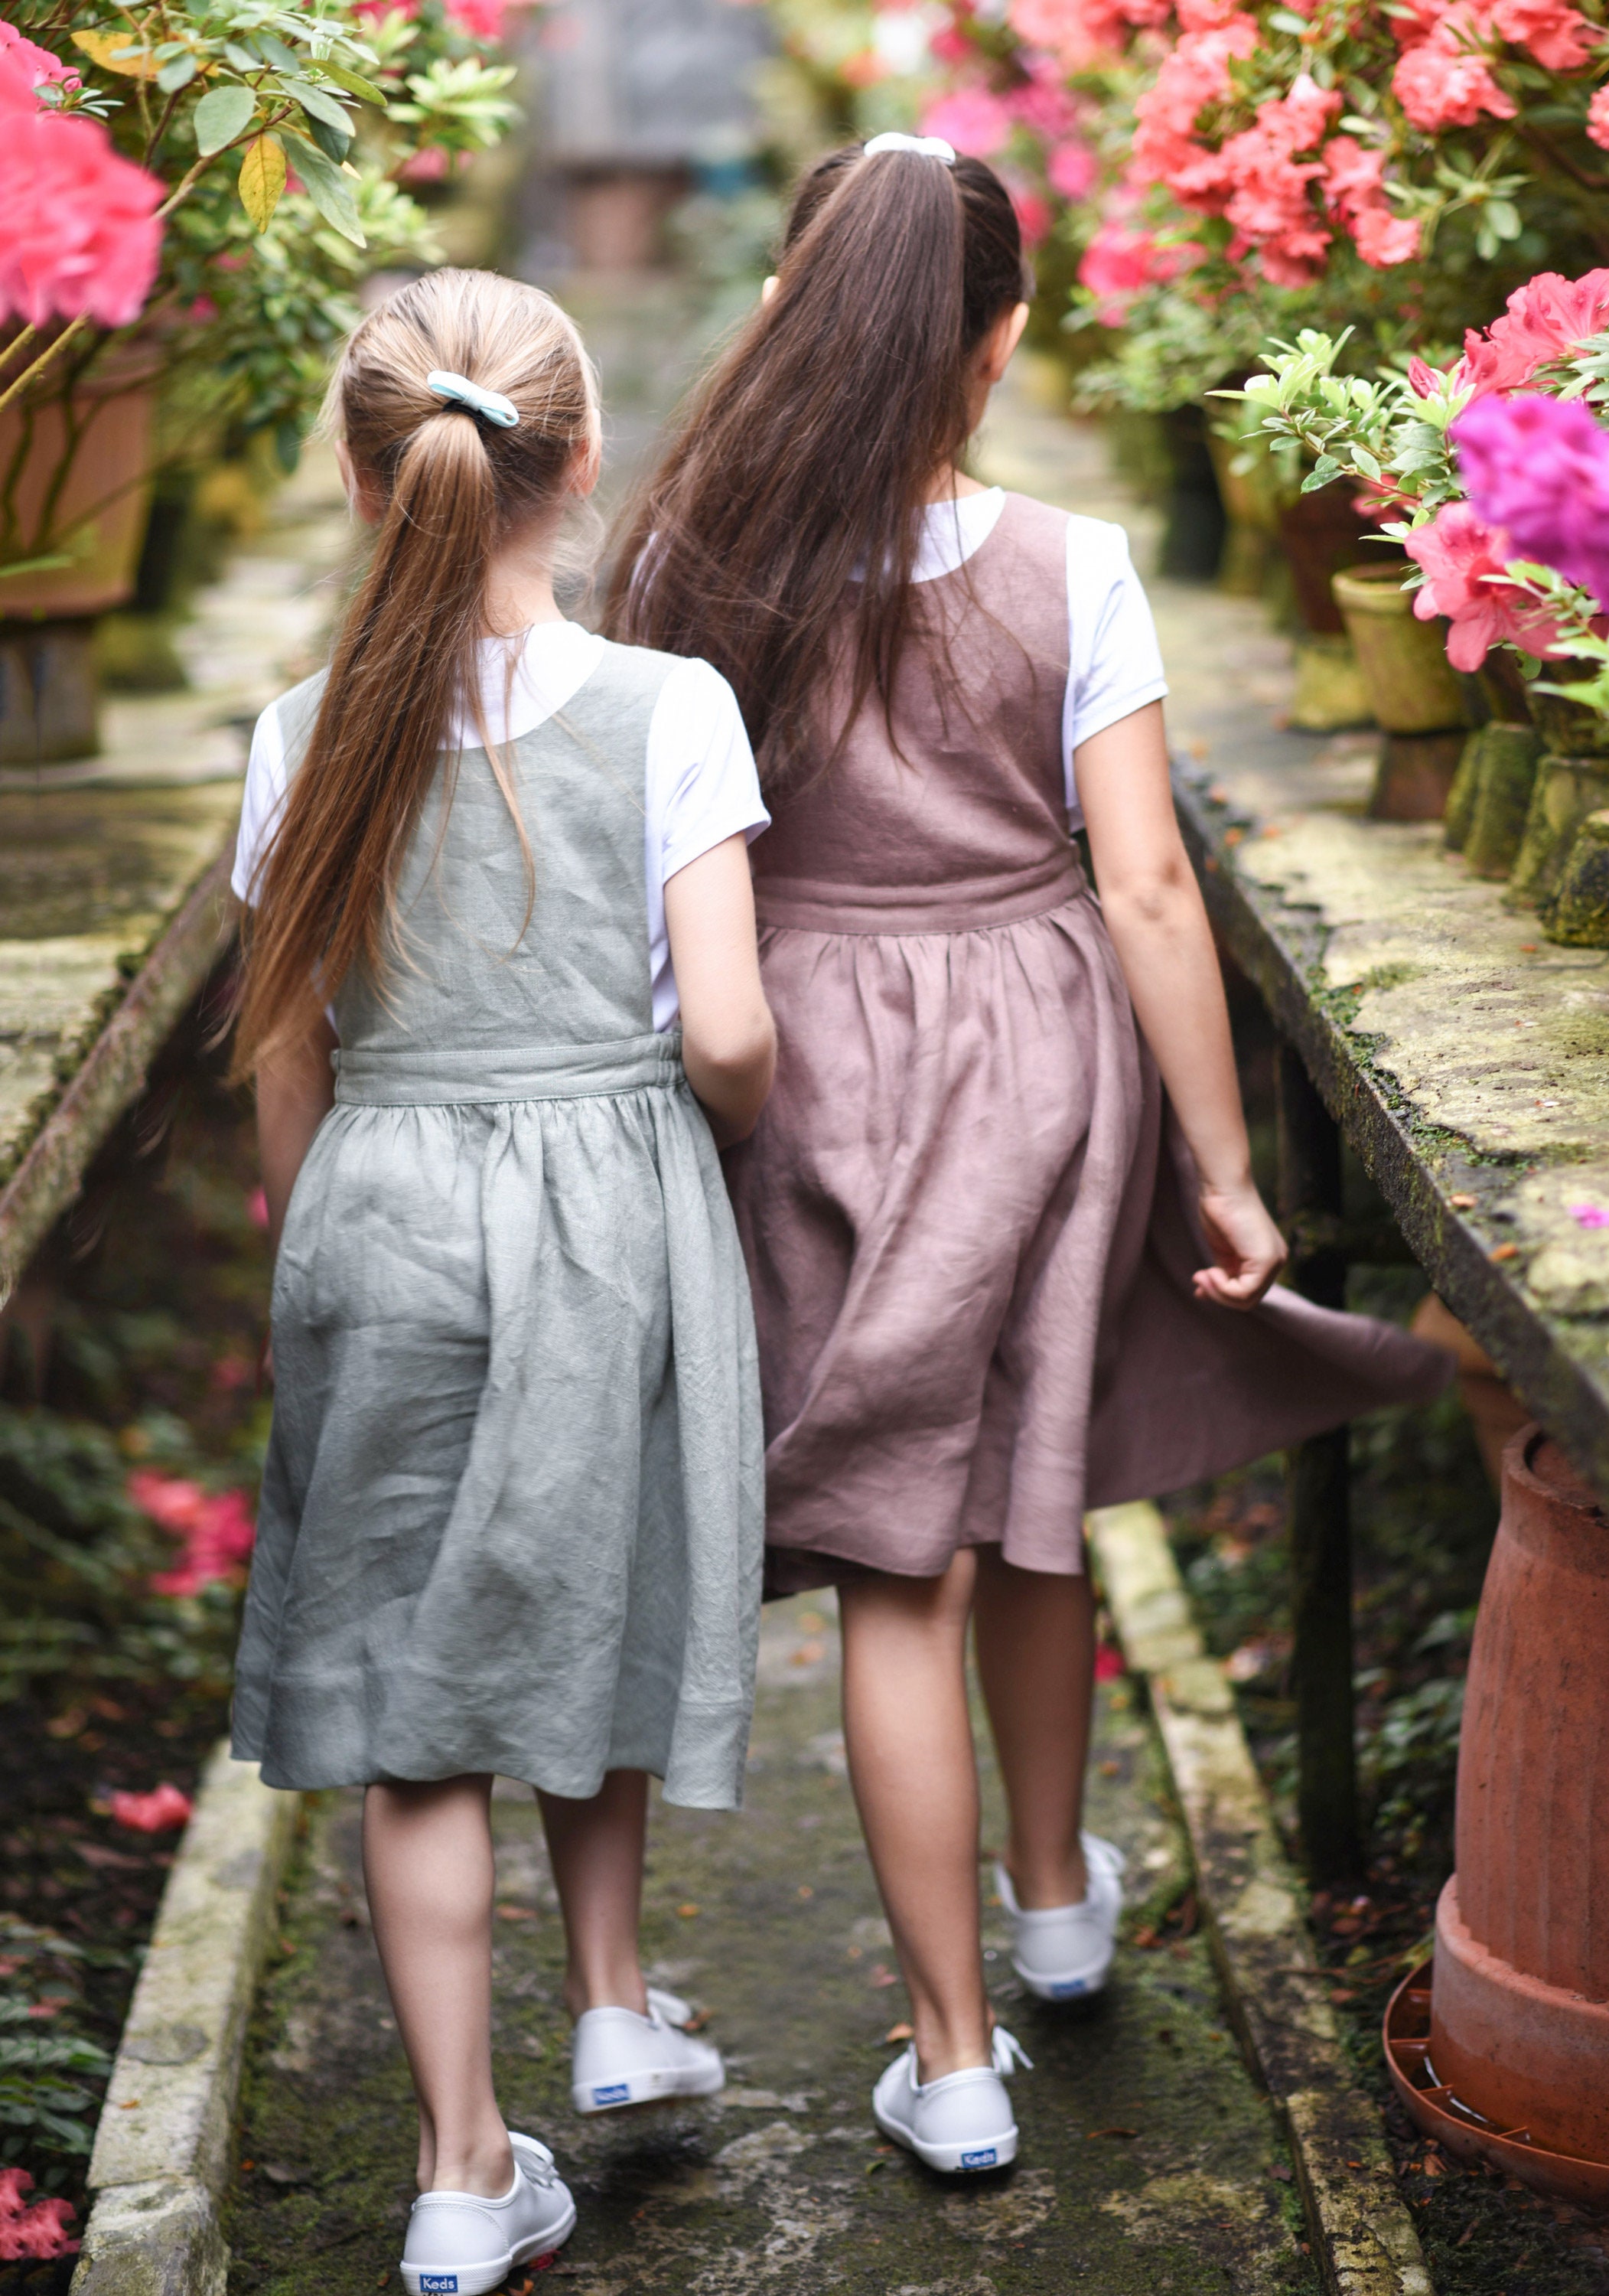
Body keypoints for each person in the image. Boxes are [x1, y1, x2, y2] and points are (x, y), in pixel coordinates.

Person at [609, 138, 1451, 2177]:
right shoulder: (1074, 564)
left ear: (780, 313)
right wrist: (1227, 1170)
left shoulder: (680, 563)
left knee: (896, 1560)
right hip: (1044, 1056)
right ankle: (1056, 1899)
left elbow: (649, 872)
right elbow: (1148, 885)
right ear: (995, 348)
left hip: (804, 1068)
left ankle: (952, 2049)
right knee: (1033, 1489)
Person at [229, 268, 777, 2296]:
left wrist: (325, 1240)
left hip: (376, 1206)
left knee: (409, 1707)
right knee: (591, 1584)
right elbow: (724, 1033)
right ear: (587, 461)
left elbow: (291, 1059)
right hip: (609, 1198)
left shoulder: (299, 737)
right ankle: (615, 1996)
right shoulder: (671, 712)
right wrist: (727, 1094)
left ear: (365, 487)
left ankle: (464, 2176)